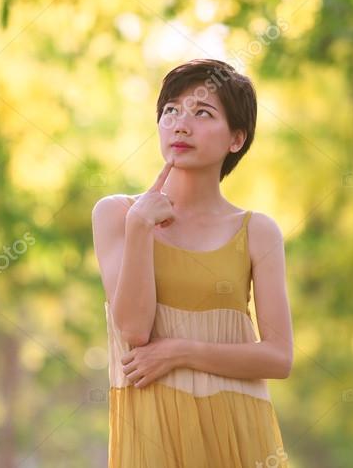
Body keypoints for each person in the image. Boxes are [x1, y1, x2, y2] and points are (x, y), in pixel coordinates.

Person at [92, 58, 292, 467]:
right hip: (150, 431)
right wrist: (139, 230)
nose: (181, 125)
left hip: (238, 434)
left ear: (236, 139)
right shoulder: (118, 214)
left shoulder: (257, 231)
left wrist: (181, 352)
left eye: (202, 113)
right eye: (171, 111)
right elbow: (133, 329)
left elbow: (278, 357)